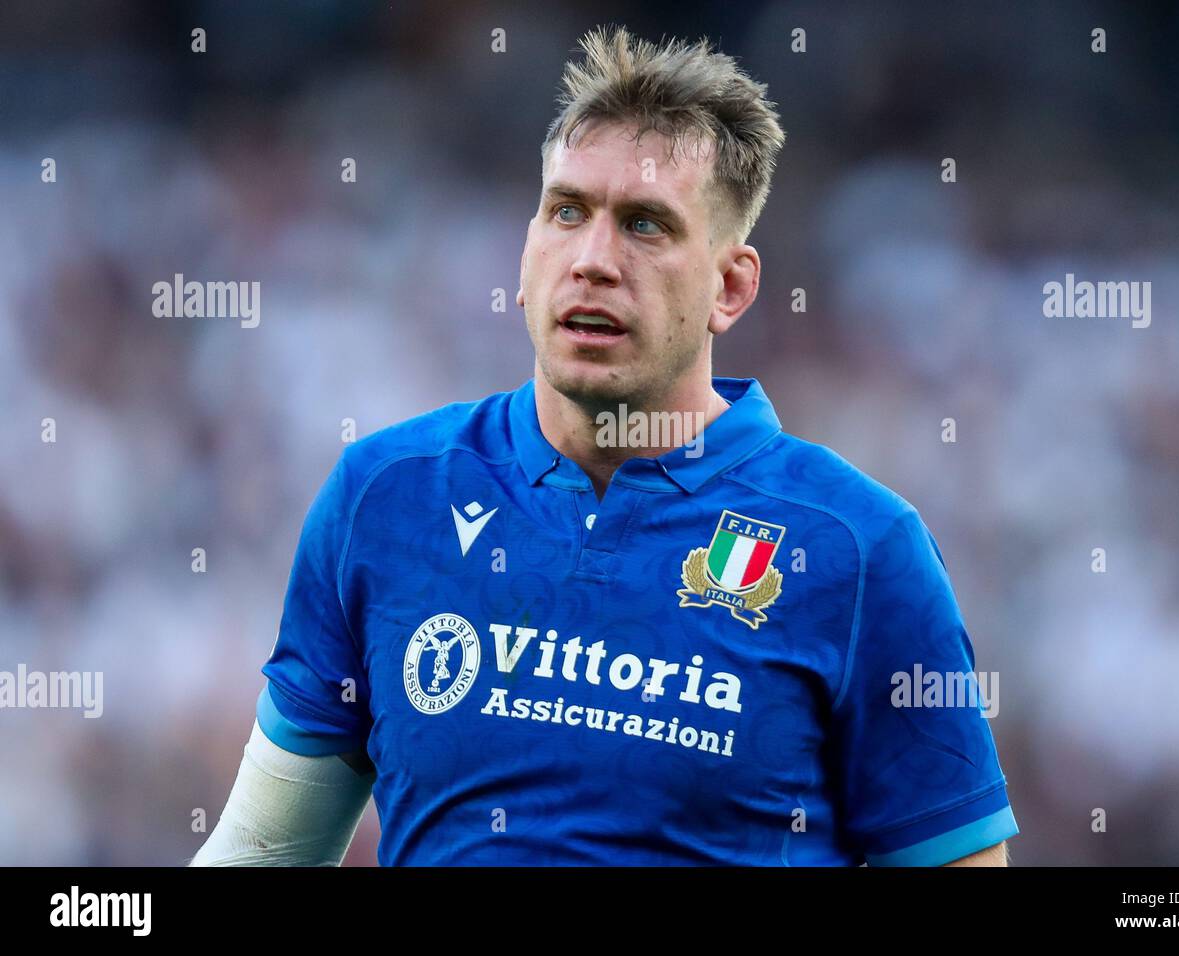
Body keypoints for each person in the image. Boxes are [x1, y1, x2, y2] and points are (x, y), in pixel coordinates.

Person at [191, 24, 1018, 867]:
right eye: (567, 211)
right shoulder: (387, 496)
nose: (592, 260)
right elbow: (262, 851)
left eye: (646, 225)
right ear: (524, 254)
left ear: (729, 287)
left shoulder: (856, 548)